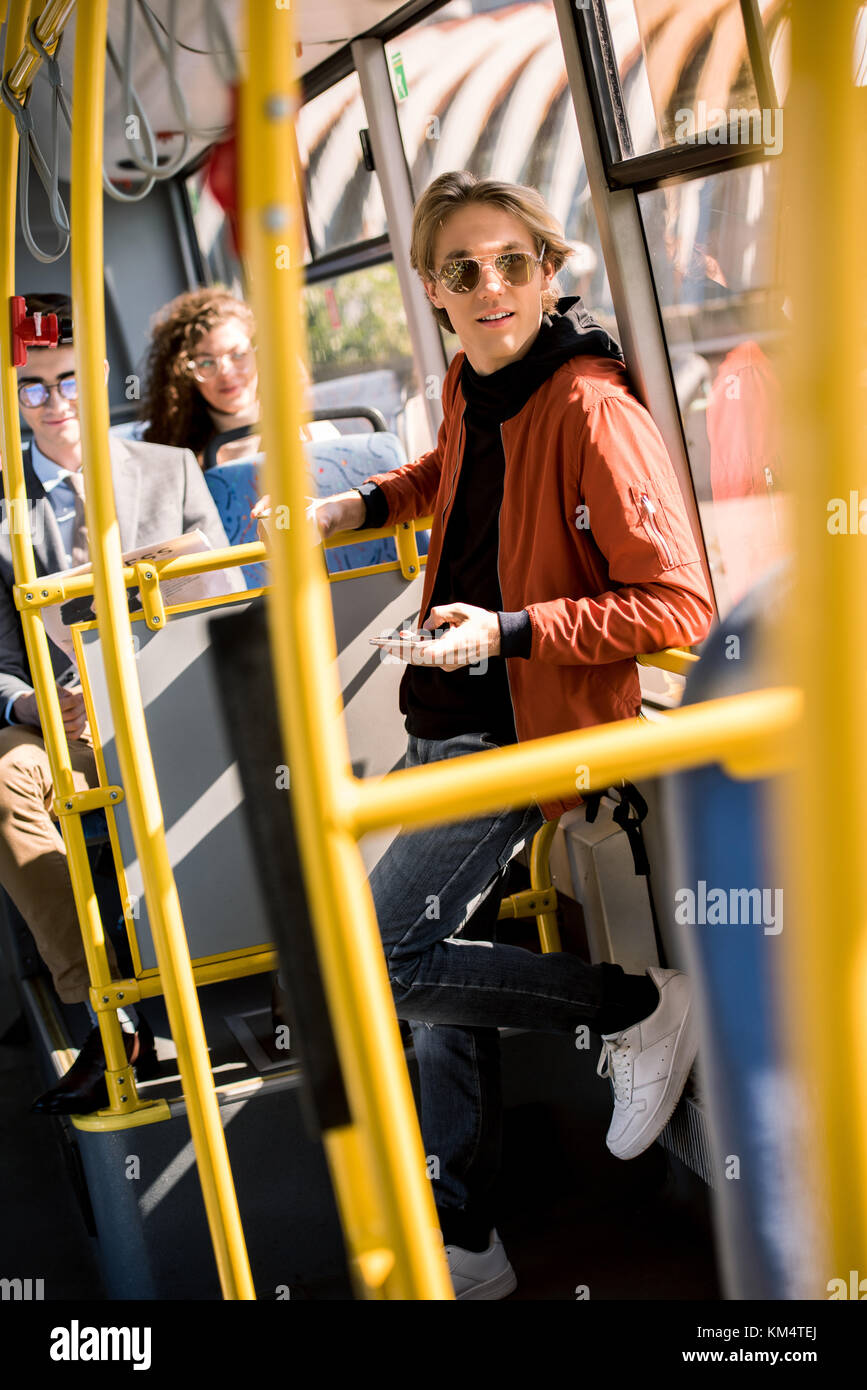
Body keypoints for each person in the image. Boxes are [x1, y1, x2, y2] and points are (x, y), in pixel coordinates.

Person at [306, 173, 715, 1298]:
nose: (492, 289)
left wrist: (512, 630)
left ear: (551, 271)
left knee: (387, 958)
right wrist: (371, 504)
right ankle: (466, 1228)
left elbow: (678, 603)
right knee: (443, 996)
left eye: (513, 265)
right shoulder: (471, 383)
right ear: (434, 291)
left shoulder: (592, 408)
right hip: (449, 714)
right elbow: (459, 472)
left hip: (521, 728)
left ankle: (631, 1005)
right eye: (464, 271)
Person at [0, 294, 235, 1115]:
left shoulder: (170, 472)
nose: (57, 405)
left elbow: (228, 597)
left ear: (97, 377)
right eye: (33, 390)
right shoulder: (4, 503)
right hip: (64, 722)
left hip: (177, 690)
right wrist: (32, 704)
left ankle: (274, 979)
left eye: (69, 381)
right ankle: (107, 1015)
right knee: (4, 786)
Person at [139, 287, 260, 467]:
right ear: (184, 375)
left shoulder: (307, 429)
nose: (225, 372)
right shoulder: (178, 462)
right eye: (206, 363)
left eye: (238, 354)